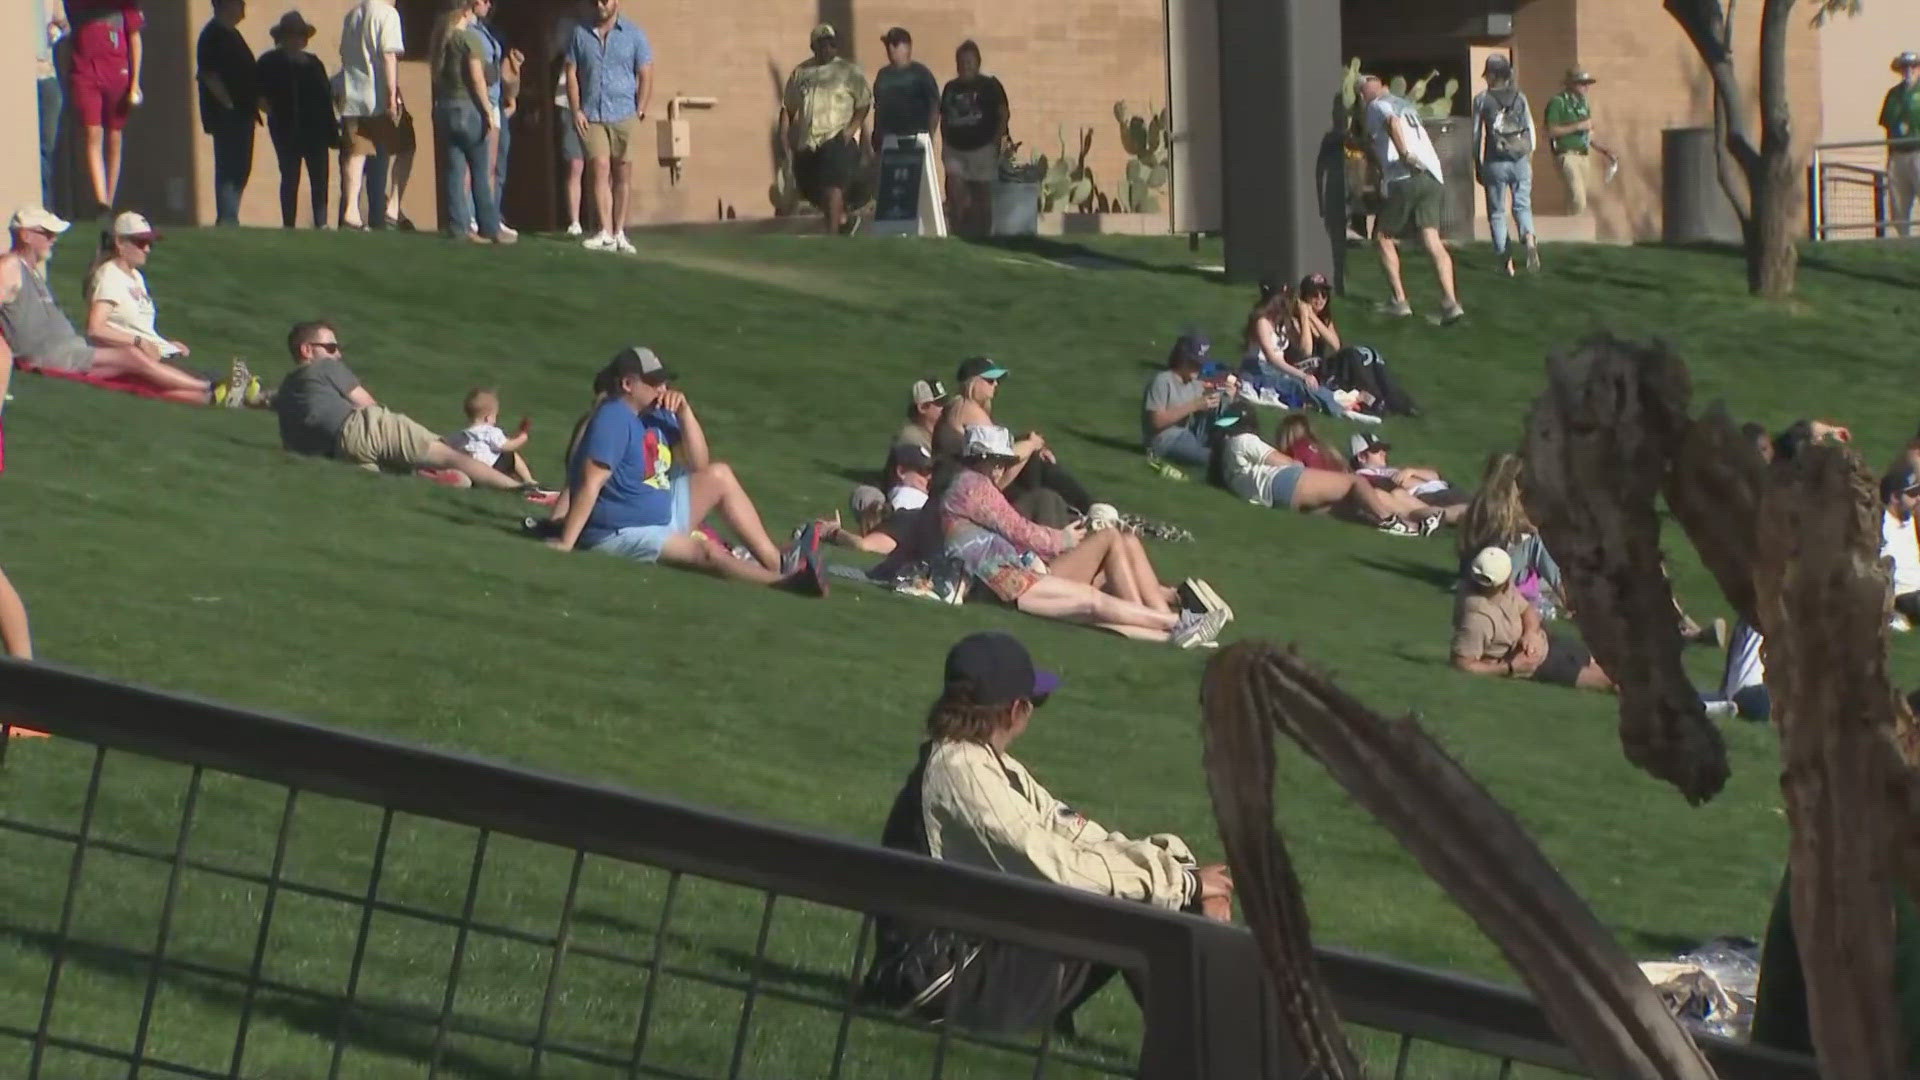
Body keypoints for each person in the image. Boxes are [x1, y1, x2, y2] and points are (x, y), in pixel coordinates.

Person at [862, 631, 1234, 1033]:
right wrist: (1182, 887)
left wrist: (1177, 866)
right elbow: (1057, 867)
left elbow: (1075, 835)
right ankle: (1208, 1052)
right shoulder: (960, 772)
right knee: (1131, 903)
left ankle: (1208, 1049)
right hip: (935, 982)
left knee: (1140, 890)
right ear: (1016, 709)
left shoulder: (985, 763)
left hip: (959, 960)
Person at [550, 346, 827, 595]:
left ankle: (778, 564)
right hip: (623, 530)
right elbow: (590, 482)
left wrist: (685, 414)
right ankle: (786, 584)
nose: (663, 388)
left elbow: (699, 465)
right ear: (628, 384)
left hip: (659, 513)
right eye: (655, 382)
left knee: (720, 476)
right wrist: (566, 541)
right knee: (706, 552)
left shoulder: (657, 415)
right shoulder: (613, 416)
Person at [940, 425, 1226, 646]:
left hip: (1010, 576)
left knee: (1093, 606)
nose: (1001, 468)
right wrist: (1063, 540)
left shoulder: (968, 483)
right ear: (982, 458)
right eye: (997, 461)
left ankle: (1172, 630)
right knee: (1093, 600)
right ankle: (1177, 622)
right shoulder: (973, 487)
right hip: (1003, 584)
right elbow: (1019, 530)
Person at [1, 208, 244, 407]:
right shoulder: (10, 267)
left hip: (69, 350)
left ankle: (216, 399)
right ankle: (212, 386)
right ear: (25, 235)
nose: (53, 239)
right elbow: (95, 327)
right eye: (47, 233)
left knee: (138, 380)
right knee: (132, 357)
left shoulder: (30, 271)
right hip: (53, 355)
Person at [274, 319, 532, 488]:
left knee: (397, 476)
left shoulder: (287, 391)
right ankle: (519, 489)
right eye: (331, 347)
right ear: (308, 350)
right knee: (448, 455)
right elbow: (367, 403)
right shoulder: (325, 368)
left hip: (340, 451)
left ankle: (439, 479)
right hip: (363, 428)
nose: (337, 354)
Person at [1210, 413, 1435, 536]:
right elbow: (1287, 463)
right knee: (1355, 484)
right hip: (1282, 482)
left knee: (1341, 509)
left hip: (1274, 498)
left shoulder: (1225, 466)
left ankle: (1406, 529)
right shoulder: (1243, 440)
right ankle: (1391, 521)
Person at [1359, 74, 1464, 325]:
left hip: (1406, 176)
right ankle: (1450, 302)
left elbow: (1392, 123)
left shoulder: (1377, 106)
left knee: (1382, 236)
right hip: (1432, 176)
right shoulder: (1406, 105)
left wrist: (1404, 154)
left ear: (1364, 95)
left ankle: (1399, 301)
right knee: (1432, 240)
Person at [936, 356, 1095, 518]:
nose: (996, 385)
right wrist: (1032, 444)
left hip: (969, 482)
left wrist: (1028, 442)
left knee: (1034, 462)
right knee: (1035, 463)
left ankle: (1083, 511)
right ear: (973, 382)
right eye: (990, 380)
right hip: (976, 487)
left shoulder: (957, 407)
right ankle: (1091, 509)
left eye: (997, 381)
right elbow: (997, 458)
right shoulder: (968, 409)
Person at [1453, 546, 1613, 690]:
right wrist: (1510, 667)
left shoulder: (1503, 588)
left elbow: (1527, 609)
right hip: (1542, 665)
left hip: (1548, 642)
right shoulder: (1477, 620)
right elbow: (1463, 663)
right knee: (1609, 681)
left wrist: (1530, 632)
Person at [566, 0, 653, 254]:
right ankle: (604, 231)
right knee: (599, 167)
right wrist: (576, 109)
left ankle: (619, 232)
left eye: (605, 1)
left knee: (623, 173)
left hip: (625, 113)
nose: (600, 5)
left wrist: (641, 109)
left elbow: (646, 72)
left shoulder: (634, 34)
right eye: (596, 1)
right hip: (593, 114)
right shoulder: (580, 33)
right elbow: (571, 71)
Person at [429, 0, 513, 244]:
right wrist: (488, 111)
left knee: (455, 170)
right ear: (467, 10)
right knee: (480, 170)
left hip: (446, 107)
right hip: (468, 109)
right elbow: (477, 79)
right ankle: (489, 226)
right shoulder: (468, 39)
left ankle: (459, 227)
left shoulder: (442, 40)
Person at [1239, 280, 1381, 423]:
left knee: (1309, 383)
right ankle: (1341, 410)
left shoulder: (1280, 321)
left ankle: (1348, 403)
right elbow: (1271, 358)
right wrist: (1302, 375)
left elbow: (1304, 351)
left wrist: (1307, 316)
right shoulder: (1262, 322)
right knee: (1299, 384)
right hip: (1259, 369)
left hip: (1276, 369)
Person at [782, 24, 871, 236]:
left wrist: (850, 131)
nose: (827, 49)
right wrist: (785, 141)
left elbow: (864, 103)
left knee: (833, 187)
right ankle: (843, 221)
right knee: (813, 190)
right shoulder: (801, 73)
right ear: (813, 47)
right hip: (808, 143)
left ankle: (831, 238)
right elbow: (788, 108)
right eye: (822, 45)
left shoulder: (849, 72)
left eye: (831, 44)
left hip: (836, 138)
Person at [1292, 273, 1420, 418]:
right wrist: (1304, 317)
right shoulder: (1295, 321)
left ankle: (1400, 401)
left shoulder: (1323, 318)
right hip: (1310, 373)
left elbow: (1335, 344)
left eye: (1324, 294)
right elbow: (1306, 351)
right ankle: (1376, 400)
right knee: (1352, 355)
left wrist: (1313, 318)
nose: (1320, 299)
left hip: (1325, 367)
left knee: (1367, 354)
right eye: (1315, 295)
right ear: (1305, 298)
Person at [257, 11, 336, 229]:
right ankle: (289, 225)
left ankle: (321, 223)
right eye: (291, 35)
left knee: (319, 178)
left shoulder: (314, 64)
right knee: (290, 177)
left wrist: (331, 131)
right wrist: (272, 112)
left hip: (316, 131)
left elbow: (325, 98)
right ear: (281, 38)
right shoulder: (269, 62)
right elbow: (258, 94)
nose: (296, 39)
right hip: (286, 129)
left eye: (299, 35)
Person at [66, 0, 144, 212]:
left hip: (117, 72)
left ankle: (110, 197)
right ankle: (101, 201)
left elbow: (134, 38)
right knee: (92, 133)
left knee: (115, 136)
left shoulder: (125, 5)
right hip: (85, 72)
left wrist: (135, 83)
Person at [337, 0, 405, 230]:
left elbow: (344, 54)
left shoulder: (352, 15)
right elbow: (388, 56)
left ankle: (351, 211)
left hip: (352, 93)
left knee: (356, 153)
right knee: (382, 155)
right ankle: (380, 213)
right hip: (376, 96)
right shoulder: (388, 15)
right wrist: (391, 96)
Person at [1470, 53, 1538, 276]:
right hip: (1520, 159)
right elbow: (1530, 127)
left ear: (1490, 75)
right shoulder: (1521, 97)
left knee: (1498, 213)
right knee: (1522, 205)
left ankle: (1505, 261)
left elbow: (1477, 135)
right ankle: (1528, 237)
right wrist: (1529, 154)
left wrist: (1477, 162)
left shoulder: (1481, 99)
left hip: (1495, 162)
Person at [197, 0, 259, 226]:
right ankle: (227, 217)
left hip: (243, 112)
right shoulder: (212, 35)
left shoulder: (234, 35)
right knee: (229, 165)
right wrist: (228, 103)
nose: (243, 7)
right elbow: (208, 74)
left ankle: (231, 213)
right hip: (226, 114)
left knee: (241, 166)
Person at [938, 41, 1008, 237]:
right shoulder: (951, 88)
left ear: (978, 63)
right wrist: (944, 145)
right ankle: (958, 233)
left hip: (982, 149)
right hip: (956, 150)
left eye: (970, 61)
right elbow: (944, 117)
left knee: (981, 196)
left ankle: (984, 236)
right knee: (955, 193)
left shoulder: (990, 85)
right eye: (962, 62)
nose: (966, 66)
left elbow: (1003, 114)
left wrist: (995, 142)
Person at [472, 0, 521, 240]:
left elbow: (506, 78)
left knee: (497, 166)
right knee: (478, 165)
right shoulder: (467, 33)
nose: (489, 6)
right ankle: (472, 217)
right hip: (479, 104)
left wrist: (514, 74)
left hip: (497, 104)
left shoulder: (496, 35)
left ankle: (492, 216)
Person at [1141, 331, 1223, 471]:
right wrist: (1195, 405)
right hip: (1165, 442)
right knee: (1214, 459)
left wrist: (1221, 396)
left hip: (1188, 435)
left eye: (1200, 364)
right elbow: (1156, 422)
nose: (1198, 368)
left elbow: (1207, 402)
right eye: (1194, 363)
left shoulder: (1194, 383)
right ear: (1182, 359)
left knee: (1225, 447)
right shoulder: (1163, 381)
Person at [1350, 432, 1470, 523]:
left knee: (1476, 505)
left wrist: (1412, 471)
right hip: (1428, 495)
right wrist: (1412, 477)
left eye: (1383, 450)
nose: (1383, 453)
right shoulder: (1365, 475)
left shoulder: (1390, 470)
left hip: (1444, 489)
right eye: (1375, 450)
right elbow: (1398, 485)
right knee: (1472, 509)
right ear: (1361, 457)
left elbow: (1436, 476)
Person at [1544, 68, 1617, 217]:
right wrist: (1577, 126)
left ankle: (1569, 230)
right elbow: (1550, 131)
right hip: (1566, 154)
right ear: (1571, 84)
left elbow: (1588, 135)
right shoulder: (1558, 102)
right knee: (1578, 199)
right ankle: (1571, 228)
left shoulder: (1583, 104)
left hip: (1583, 155)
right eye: (1581, 83)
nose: (1586, 87)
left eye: (1587, 83)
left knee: (1577, 199)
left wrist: (1604, 150)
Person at [549, 1, 592, 236]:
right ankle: (575, 221)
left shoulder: (603, 23)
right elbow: (552, 53)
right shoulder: (566, 24)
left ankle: (603, 222)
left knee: (602, 165)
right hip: (568, 102)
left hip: (599, 104)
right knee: (575, 163)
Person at [446, 386, 544, 487]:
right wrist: (522, 437)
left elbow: (448, 445)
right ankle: (528, 480)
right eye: (495, 416)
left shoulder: (462, 434)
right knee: (511, 454)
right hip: (490, 469)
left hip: (471, 469)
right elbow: (507, 446)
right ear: (488, 418)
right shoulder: (490, 432)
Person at [872, 27, 939, 150]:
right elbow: (878, 107)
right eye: (888, 44)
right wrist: (876, 135)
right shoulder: (883, 75)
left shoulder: (921, 74)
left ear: (907, 47)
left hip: (915, 139)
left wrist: (929, 135)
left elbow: (934, 106)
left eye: (895, 44)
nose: (890, 48)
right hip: (888, 140)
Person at [35, 3, 69, 211]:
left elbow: (64, 24)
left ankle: (45, 208)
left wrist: (56, 30)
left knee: (47, 146)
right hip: (18, 77)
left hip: (46, 76)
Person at [1882, 51, 1920, 237]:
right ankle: (1903, 240)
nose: (1909, 71)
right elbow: (1887, 125)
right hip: (1898, 154)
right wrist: (1889, 155)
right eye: (1905, 67)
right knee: (1898, 203)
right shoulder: (1893, 94)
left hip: (1918, 152)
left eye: (1913, 66)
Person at [1883, 468, 1920, 632]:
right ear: (1895, 497)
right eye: (1912, 494)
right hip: (1903, 595)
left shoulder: (1910, 519)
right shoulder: (1881, 526)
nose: (1918, 498)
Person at [896, 378, 948, 451]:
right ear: (922, 408)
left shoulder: (940, 433)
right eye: (939, 403)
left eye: (945, 401)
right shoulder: (912, 441)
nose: (945, 407)